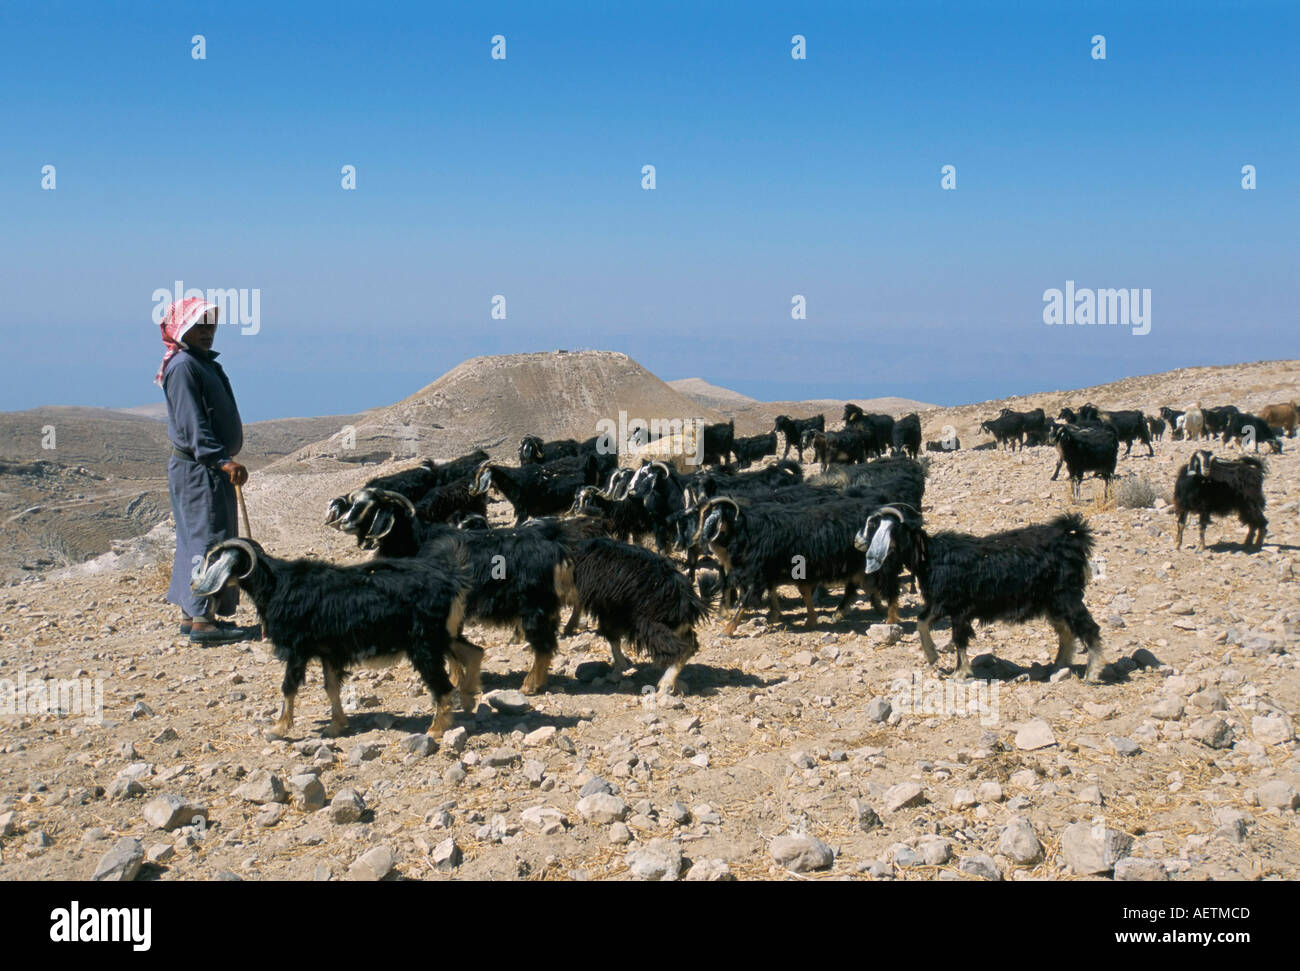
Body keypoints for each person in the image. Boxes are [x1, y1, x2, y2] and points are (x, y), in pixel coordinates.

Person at [156, 297, 257, 644]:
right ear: (182, 326)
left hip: (204, 467)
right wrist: (222, 459)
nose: (207, 332)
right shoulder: (185, 366)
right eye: (199, 325)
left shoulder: (199, 363)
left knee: (196, 539)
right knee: (208, 540)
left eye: (211, 325)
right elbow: (192, 424)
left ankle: (193, 614)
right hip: (201, 469)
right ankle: (202, 619)